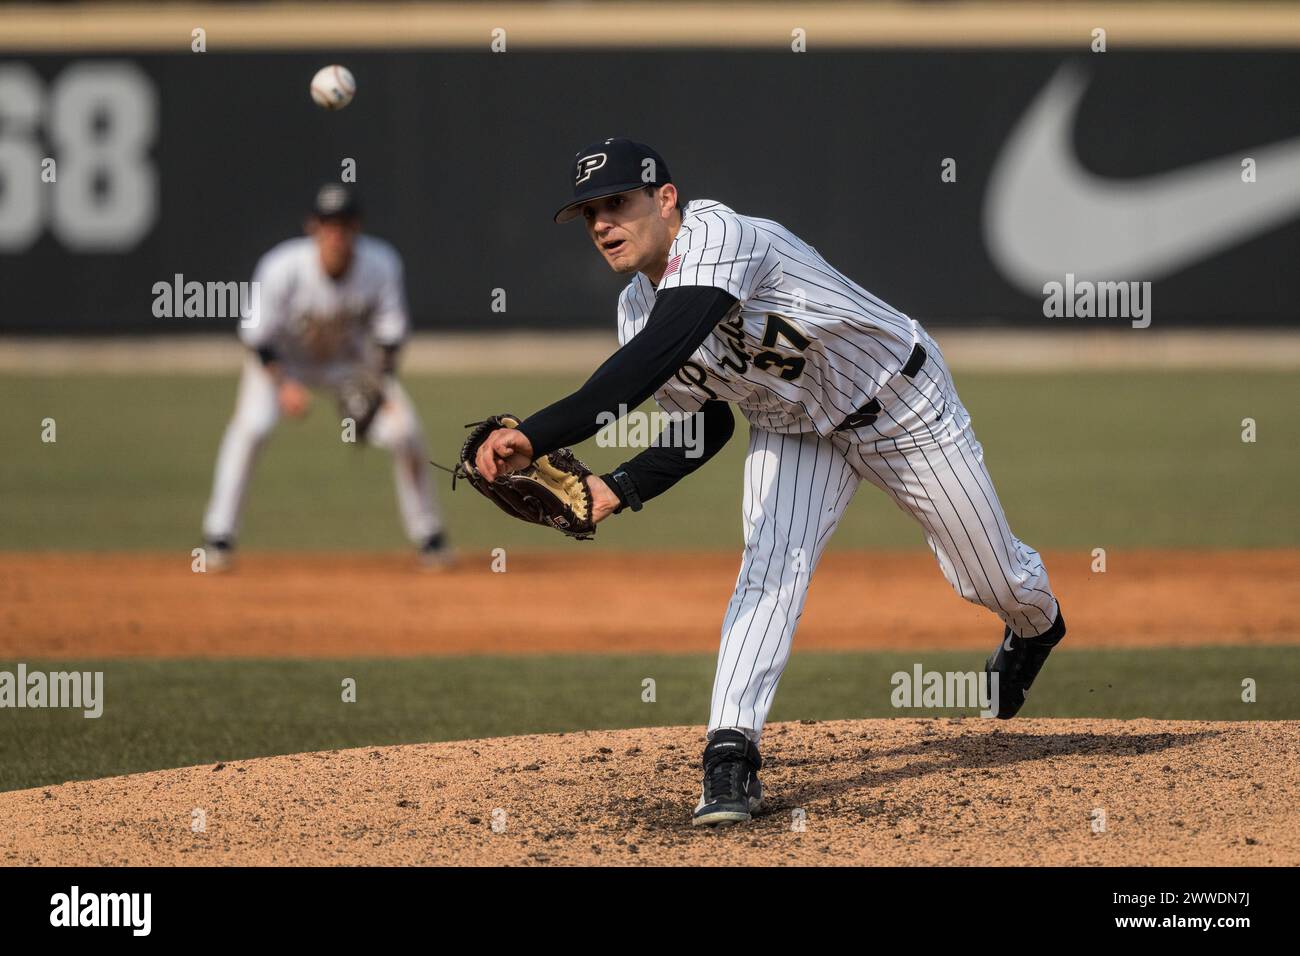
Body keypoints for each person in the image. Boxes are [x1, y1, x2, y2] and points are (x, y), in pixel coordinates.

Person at [474, 138, 1065, 825]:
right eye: (588, 215)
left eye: (616, 203)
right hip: (793, 430)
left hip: (902, 405)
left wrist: (538, 434)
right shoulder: (636, 310)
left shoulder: (722, 237)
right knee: (769, 568)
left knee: (989, 579)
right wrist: (616, 487)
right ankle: (730, 758)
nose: (602, 224)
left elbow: (640, 369)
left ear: (667, 200)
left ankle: (1035, 626)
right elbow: (708, 425)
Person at [201, 184, 450, 569]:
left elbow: (391, 338)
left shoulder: (381, 263)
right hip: (283, 364)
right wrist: (283, 386)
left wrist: (375, 388)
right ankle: (219, 535)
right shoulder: (282, 267)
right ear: (312, 227)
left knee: (405, 431)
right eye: (328, 224)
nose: (336, 234)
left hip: (349, 368)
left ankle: (429, 536)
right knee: (252, 428)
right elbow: (258, 338)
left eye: (345, 224)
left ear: (357, 227)